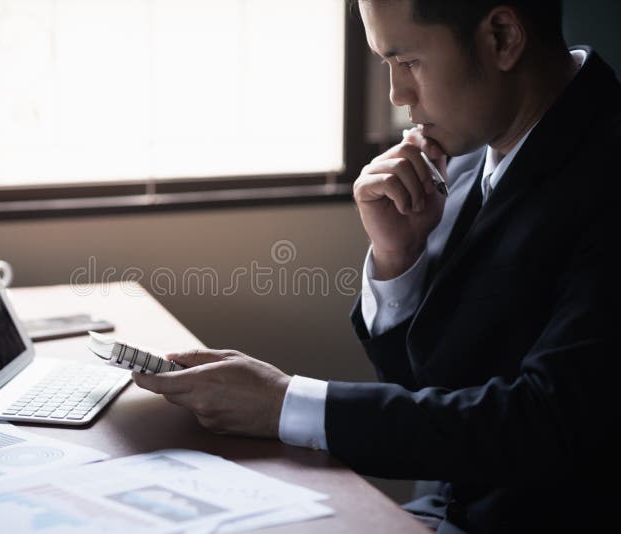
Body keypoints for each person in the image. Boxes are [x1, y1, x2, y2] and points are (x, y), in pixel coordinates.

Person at [134, 0, 620, 531]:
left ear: (502, 37)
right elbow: (435, 389)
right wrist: (398, 260)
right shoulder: (466, 152)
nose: (396, 96)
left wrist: (283, 404)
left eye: (408, 62)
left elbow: (545, 424)